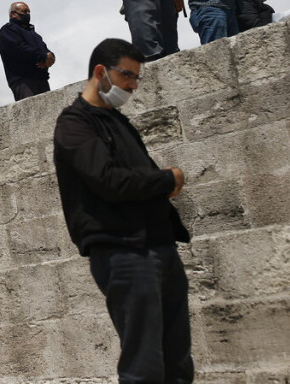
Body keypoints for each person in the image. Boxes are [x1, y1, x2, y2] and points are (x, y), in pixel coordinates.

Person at [53, 38, 193, 384]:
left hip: (159, 246)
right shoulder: (74, 123)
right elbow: (108, 181)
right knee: (144, 366)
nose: (132, 85)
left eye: (136, 78)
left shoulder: (117, 120)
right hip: (123, 251)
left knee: (177, 362)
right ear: (101, 72)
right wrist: (166, 179)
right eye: (127, 76)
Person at [0, 2, 56, 100]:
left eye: (29, 11)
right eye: (24, 11)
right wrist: (43, 57)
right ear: (13, 14)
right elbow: (19, 49)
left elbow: (45, 50)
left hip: (41, 79)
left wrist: (50, 58)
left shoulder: (34, 34)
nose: (28, 14)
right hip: (23, 80)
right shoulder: (7, 30)